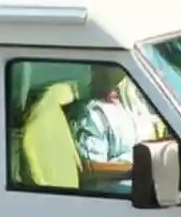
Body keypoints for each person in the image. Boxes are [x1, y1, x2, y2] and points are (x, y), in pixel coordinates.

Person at [66, 66, 167, 194]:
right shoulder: (92, 114)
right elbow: (89, 169)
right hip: (109, 191)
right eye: (107, 74)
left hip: (147, 177)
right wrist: (136, 169)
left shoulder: (134, 105)